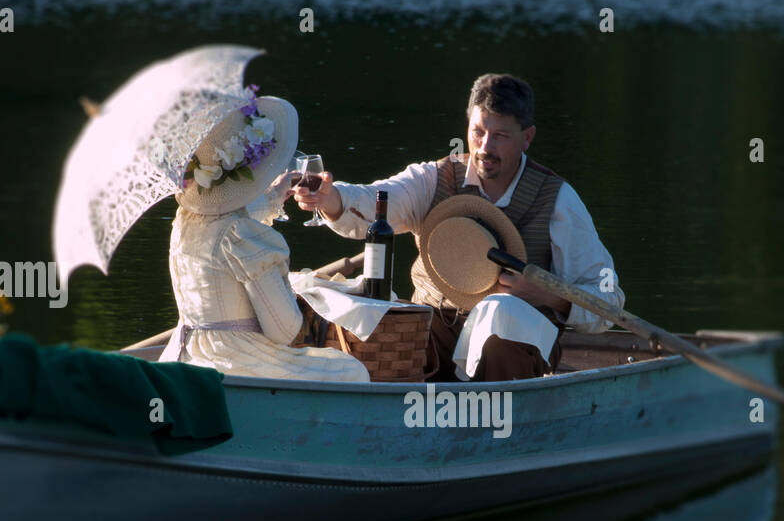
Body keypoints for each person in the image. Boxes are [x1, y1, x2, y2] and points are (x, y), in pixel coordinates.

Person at [294, 73, 625, 381]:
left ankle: (486, 418)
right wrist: (330, 198)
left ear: (527, 137)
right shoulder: (434, 179)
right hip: (432, 338)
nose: (484, 148)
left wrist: (550, 295)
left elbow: (608, 299)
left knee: (502, 308)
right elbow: (374, 201)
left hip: (512, 359)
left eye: (500, 137)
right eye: (478, 132)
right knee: (368, 310)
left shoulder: (558, 201)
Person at [160, 92, 369, 383]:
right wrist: (285, 285)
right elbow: (283, 331)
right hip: (236, 362)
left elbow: (229, 219)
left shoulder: (185, 221)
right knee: (352, 371)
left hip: (184, 354)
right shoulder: (242, 236)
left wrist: (277, 192)